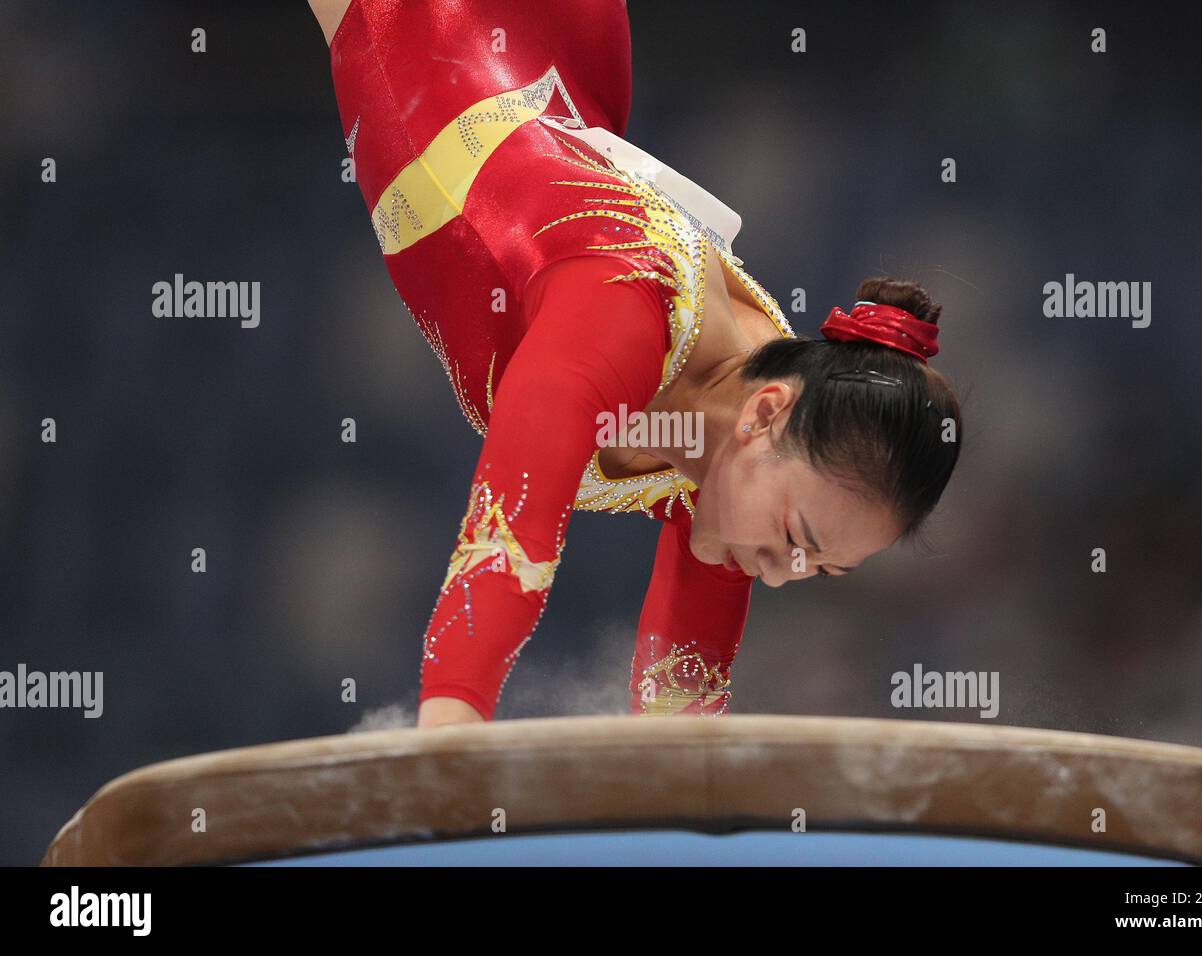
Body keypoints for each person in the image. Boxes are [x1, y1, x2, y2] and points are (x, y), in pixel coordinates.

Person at [308, 0, 963, 727]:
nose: (780, 576)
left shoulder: (737, 439)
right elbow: (505, 548)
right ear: (767, 412)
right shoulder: (615, 312)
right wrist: (442, 763)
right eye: (796, 542)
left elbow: (681, 710)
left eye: (818, 569)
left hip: (548, 65)